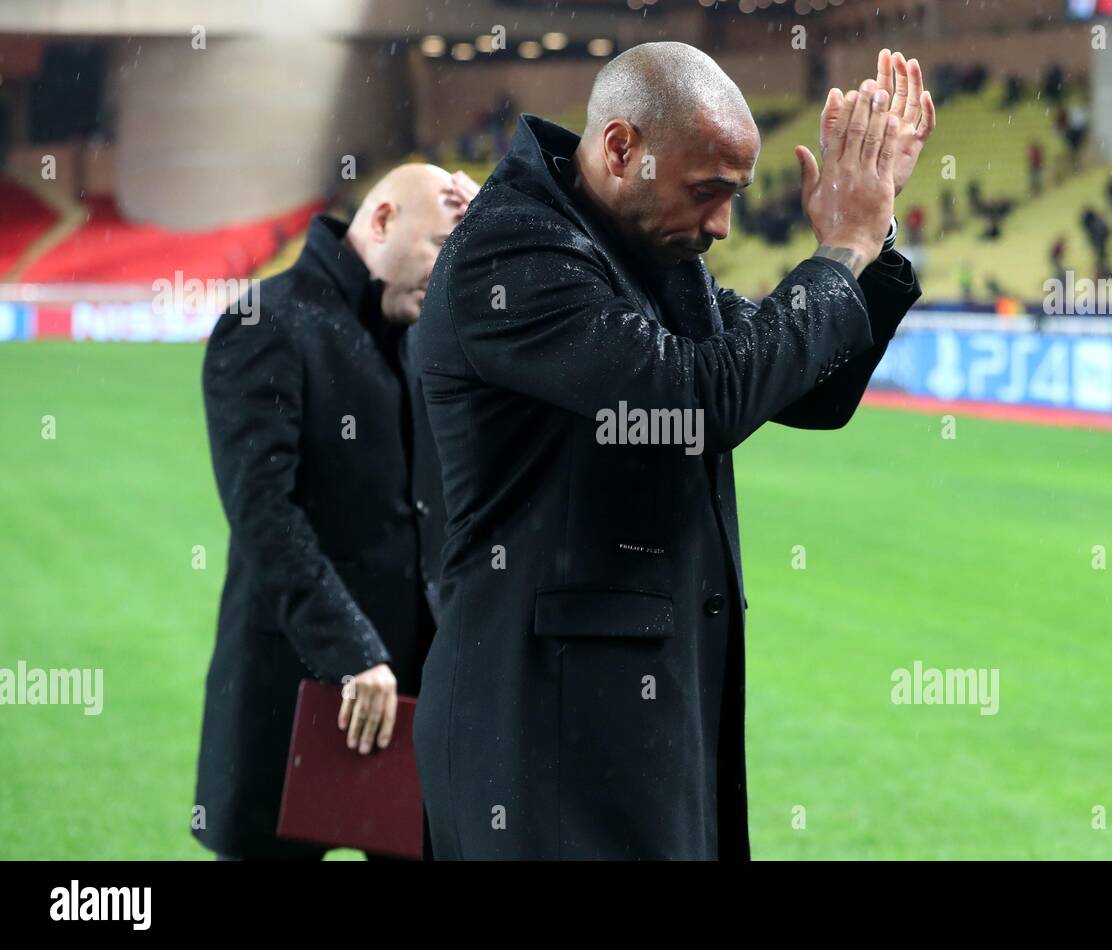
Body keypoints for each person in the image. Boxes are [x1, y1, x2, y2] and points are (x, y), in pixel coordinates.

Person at [412, 42, 932, 860]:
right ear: (622, 149)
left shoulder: (645, 248)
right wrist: (839, 253)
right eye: (707, 192)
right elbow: (692, 404)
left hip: (632, 724)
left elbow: (812, 392)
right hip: (541, 736)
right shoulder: (511, 250)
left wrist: (873, 232)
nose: (722, 225)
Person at [192, 164, 477, 860]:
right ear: (381, 222)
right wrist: (352, 649)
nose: (448, 275)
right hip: (289, 694)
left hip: (414, 704)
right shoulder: (268, 322)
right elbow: (263, 513)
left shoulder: (423, 338)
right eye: (441, 245)